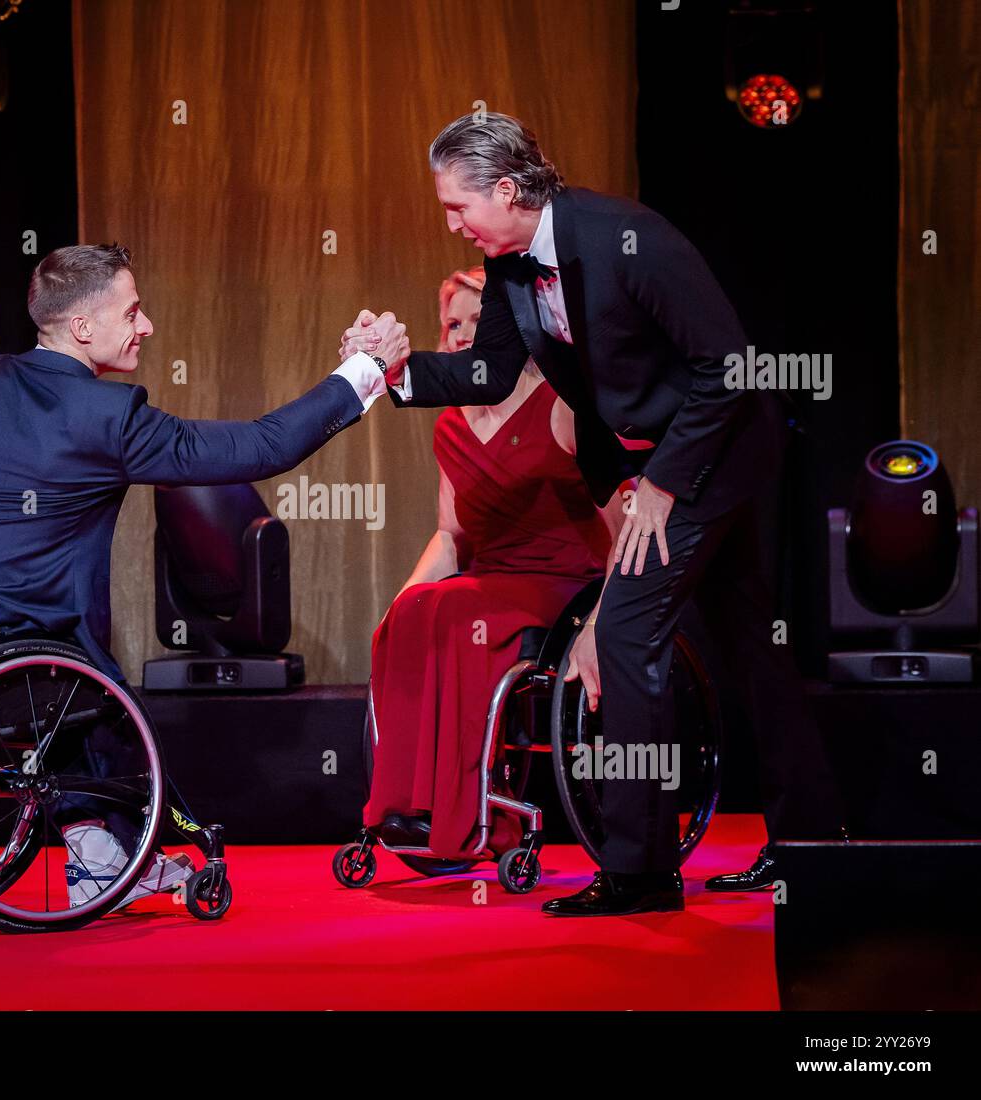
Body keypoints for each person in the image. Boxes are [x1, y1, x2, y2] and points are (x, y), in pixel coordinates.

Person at [343, 112, 847, 916]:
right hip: (648, 458)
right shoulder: (507, 265)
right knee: (750, 645)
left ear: (505, 190)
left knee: (623, 634)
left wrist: (662, 483)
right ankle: (817, 847)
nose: (449, 223)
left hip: (711, 452)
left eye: (455, 206)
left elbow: (729, 367)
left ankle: (642, 872)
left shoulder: (625, 238)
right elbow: (485, 371)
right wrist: (384, 371)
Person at [0, 242, 398, 909]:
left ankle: (95, 844)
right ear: (83, 327)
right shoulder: (110, 418)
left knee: (54, 676)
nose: (145, 327)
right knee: (86, 689)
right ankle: (109, 842)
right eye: (134, 310)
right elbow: (263, 446)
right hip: (48, 673)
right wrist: (365, 370)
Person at [362, 266, 634, 859]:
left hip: (566, 586)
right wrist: (401, 602)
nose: (460, 335)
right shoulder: (450, 426)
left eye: (476, 320)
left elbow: (622, 531)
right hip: (490, 582)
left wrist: (603, 622)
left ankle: (470, 817)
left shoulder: (562, 407)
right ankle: (408, 809)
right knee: (414, 612)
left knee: (456, 610)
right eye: (450, 324)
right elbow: (450, 536)